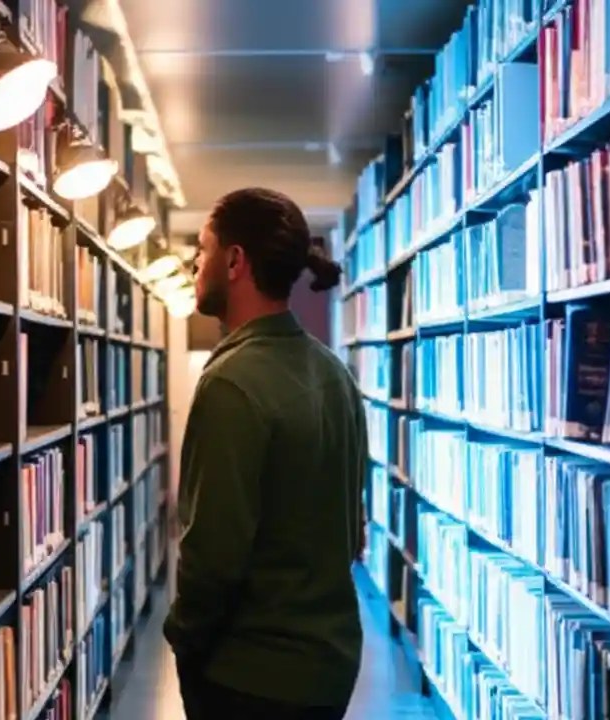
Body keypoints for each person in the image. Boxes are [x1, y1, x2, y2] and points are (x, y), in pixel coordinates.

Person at [162, 187, 368, 720]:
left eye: (202, 250)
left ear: (234, 261)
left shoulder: (230, 383)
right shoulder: (335, 375)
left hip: (251, 677)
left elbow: (213, 556)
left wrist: (182, 638)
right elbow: (352, 529)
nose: (194, 265)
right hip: (327, 668)